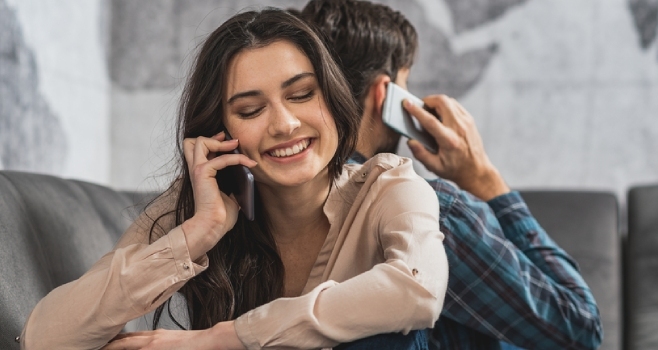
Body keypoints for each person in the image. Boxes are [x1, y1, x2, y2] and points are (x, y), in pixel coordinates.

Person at [19, 8, 448, 349]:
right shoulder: (198, 209)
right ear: (219, 132)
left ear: (334, 100)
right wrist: (195, 235)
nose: (284, 124)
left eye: (301, 95)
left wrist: (226, 339)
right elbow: (45, 341)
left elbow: (418, 291)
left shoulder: (392, 187)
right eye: (250, 110)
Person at [299, 1, 603, 349]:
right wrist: (486, 181)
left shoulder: (279, 200)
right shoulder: (431, 211)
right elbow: (580, 328)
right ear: (385, 95)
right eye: (406, 84)